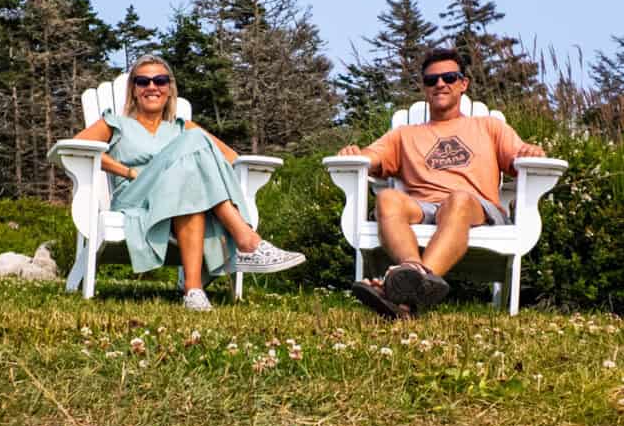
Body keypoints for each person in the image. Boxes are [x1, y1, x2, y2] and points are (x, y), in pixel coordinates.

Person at [74, 54, 305, 310]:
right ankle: (247, 239)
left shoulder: (181, 127)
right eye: (143, 81)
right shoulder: (115, 123)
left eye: (160, 80)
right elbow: (78, 148)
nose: (152, 87)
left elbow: (230, 158)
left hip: (177, 198)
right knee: (195, 140)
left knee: (191, 187)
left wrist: (201, 173)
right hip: (135, 197)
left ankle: (193, 292)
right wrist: (126, 171)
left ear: (169, 89)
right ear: (134, 89)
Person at [338, 47, 545, 316]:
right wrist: (354, 153)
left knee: (457, 200)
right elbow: (370, 157)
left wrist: (531, 151)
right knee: (387, 198)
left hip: (474, 208)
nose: (439, 84)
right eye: (431, 80)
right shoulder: (404, 134)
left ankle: (403, 287)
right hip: (423, 208)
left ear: (463, 84)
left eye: (448, 77)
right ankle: (411, 276)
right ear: (424, 88)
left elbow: (520, 155)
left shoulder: (489, 127)